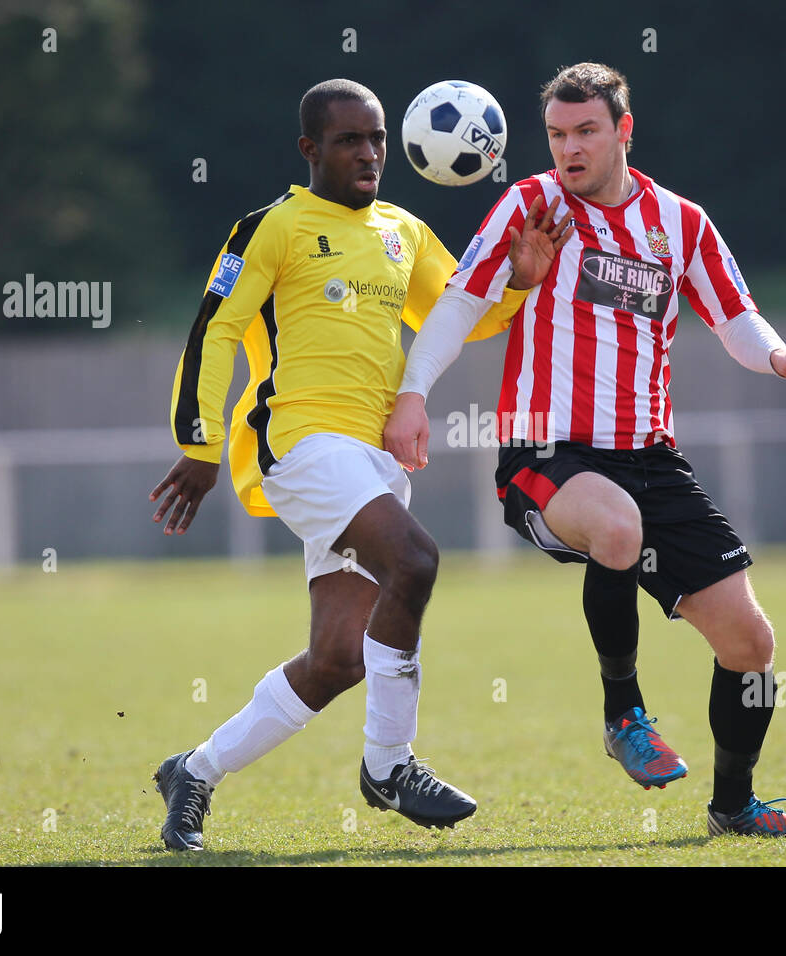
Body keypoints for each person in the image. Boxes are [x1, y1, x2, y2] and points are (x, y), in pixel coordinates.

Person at [384, 63, 786, 837]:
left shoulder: (681, 223)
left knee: (752, 645)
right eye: (557, 134)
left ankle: (734, 806)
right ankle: (623, 713)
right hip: (544, 455)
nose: (569, 149)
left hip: (652, 460)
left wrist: (780, 355)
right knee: (617, 526)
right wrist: (414, 392)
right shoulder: (530, 206)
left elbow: (734, 317)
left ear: (624, 131)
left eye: (586, 131)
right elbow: (460, 304)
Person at [147, 78, 521, 849]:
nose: (370, 153)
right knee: (415, 560)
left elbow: (461, 316)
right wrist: (198, 445)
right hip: (303, 442)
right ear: (309, 150)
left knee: (338, 659)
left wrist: (519, 278)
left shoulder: (404, 231)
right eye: (350, 139)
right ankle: (390, 765)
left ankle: (195, 770)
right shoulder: (271, 227)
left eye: (378, 138)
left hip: (375, 462)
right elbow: (215, 329)